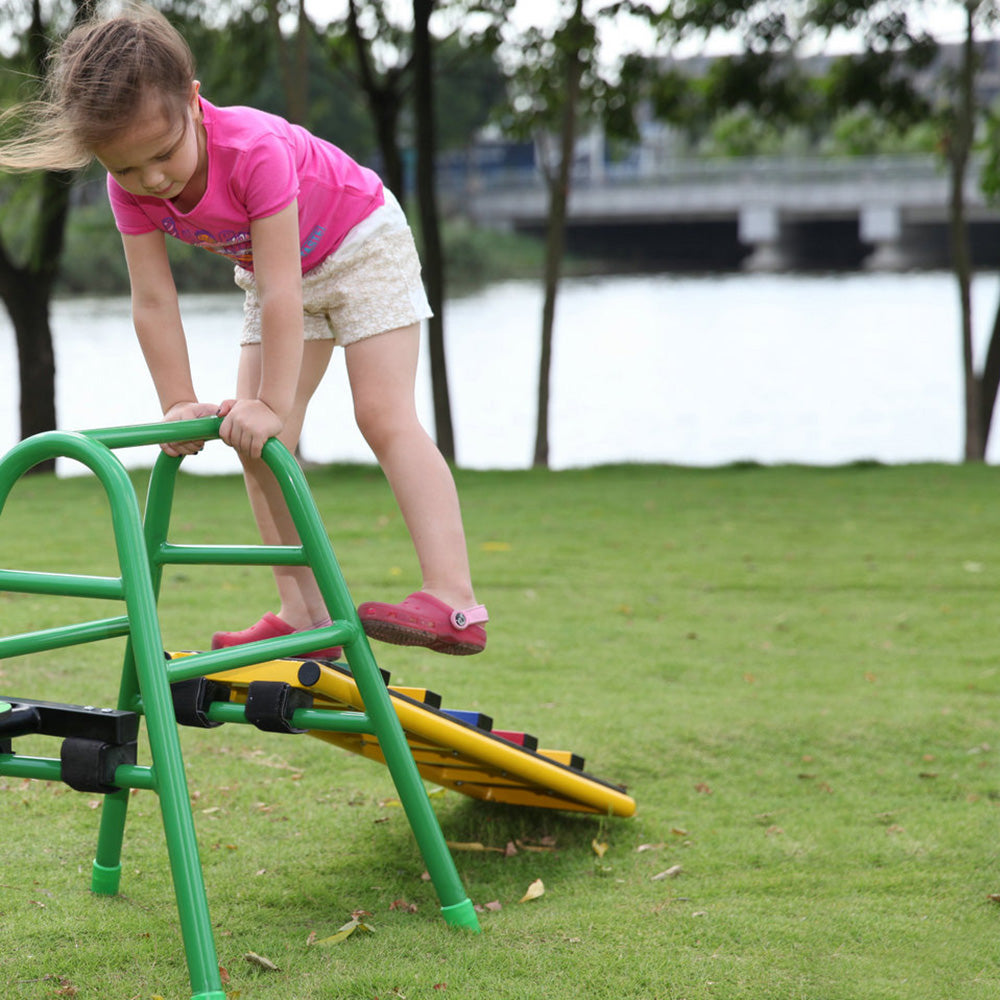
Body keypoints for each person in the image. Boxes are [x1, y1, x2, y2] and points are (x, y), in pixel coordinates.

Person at [0, 5, 487, 657]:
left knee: (380, 412)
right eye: (126, 169)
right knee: (256, 444)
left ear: (195, 102)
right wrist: (178, 398)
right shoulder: (131, 192)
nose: (152, 180)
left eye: (164, 154)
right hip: (276, 273)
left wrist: (271, 404)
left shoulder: (253, 150)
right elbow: (152, 299)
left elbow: (284, 289)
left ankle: (454, 600)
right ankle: (306, 614)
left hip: (362, 242)